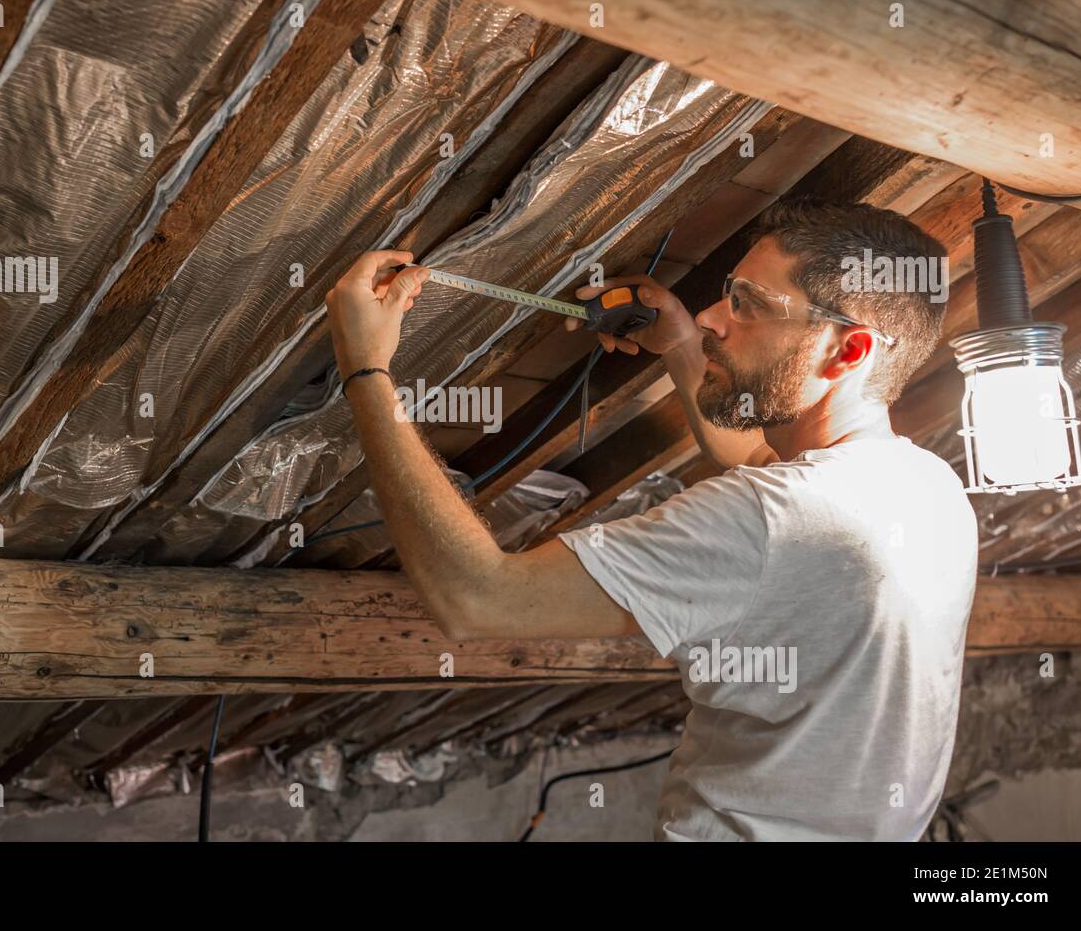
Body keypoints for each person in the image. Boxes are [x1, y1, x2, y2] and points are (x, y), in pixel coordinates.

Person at [324, 197, 978, 841]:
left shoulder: (768, 518)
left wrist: (367, 368)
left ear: (847, 351)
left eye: (748, 304)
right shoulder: (926, 489)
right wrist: (681, 344)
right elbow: (758, 460)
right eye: (728, 293)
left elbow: (477, 597)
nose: (712, 316)